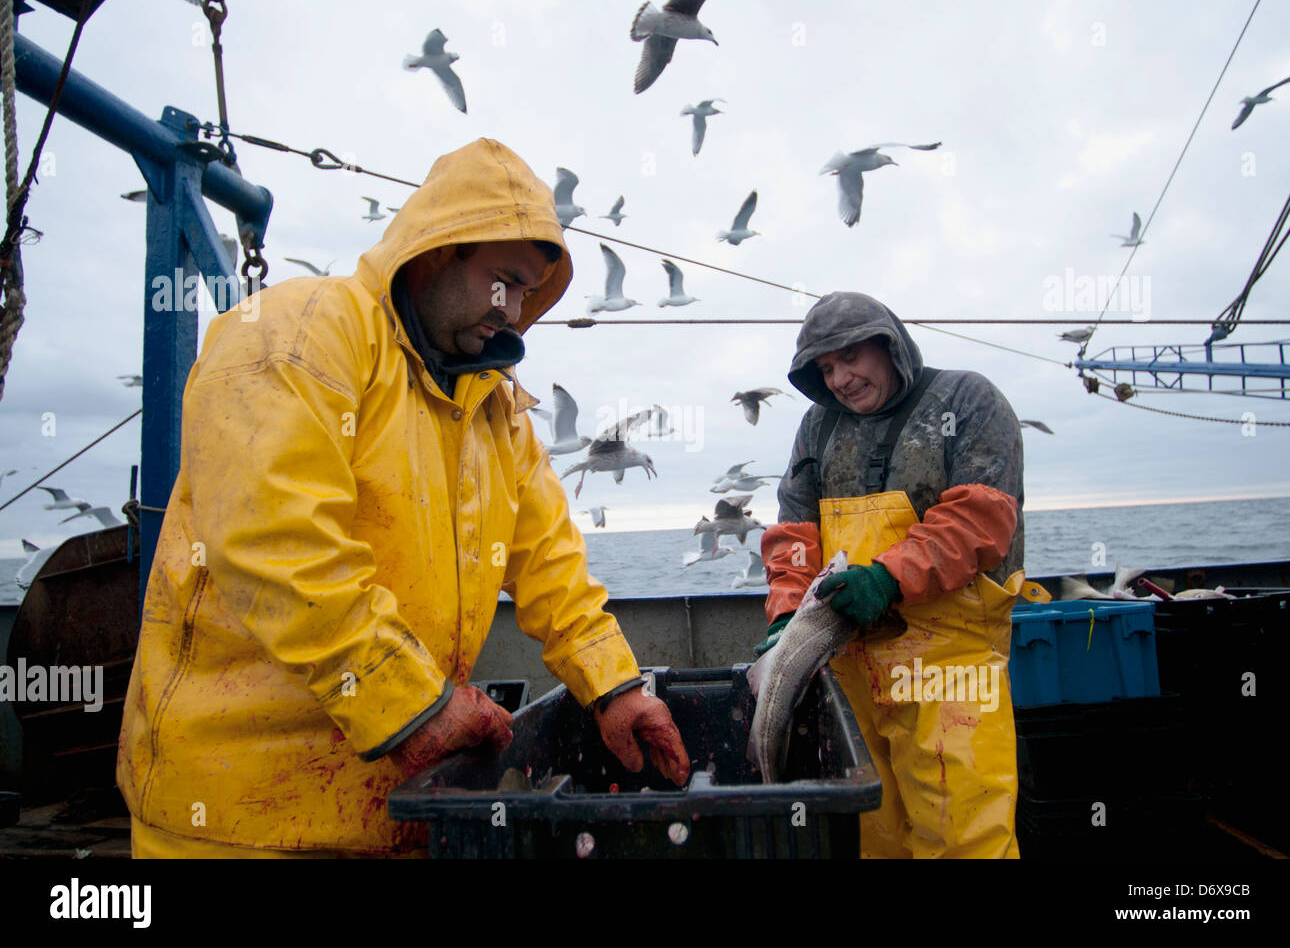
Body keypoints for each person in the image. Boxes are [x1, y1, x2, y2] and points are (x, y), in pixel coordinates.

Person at [117, 137, 690, 858]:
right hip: (236, 820)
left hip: (399, 807)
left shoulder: (494, 409)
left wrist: (616, 688)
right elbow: (278, 542)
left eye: (526, 292)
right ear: (439, 249)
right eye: (502, 279)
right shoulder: (301, 335)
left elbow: (552, 566)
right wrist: (416, 703)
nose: (512, 309)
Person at [758, 291, 1046, 859]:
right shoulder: (816, 428)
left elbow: (981, 517)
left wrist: (887, 579)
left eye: (849, 357)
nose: (839, 378)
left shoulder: (968, 399)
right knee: (873, 837)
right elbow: (795, 537)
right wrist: (787, 616)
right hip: (848, 666)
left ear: (888, 344)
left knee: (964, 835)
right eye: (825, 369)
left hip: (950, 670)